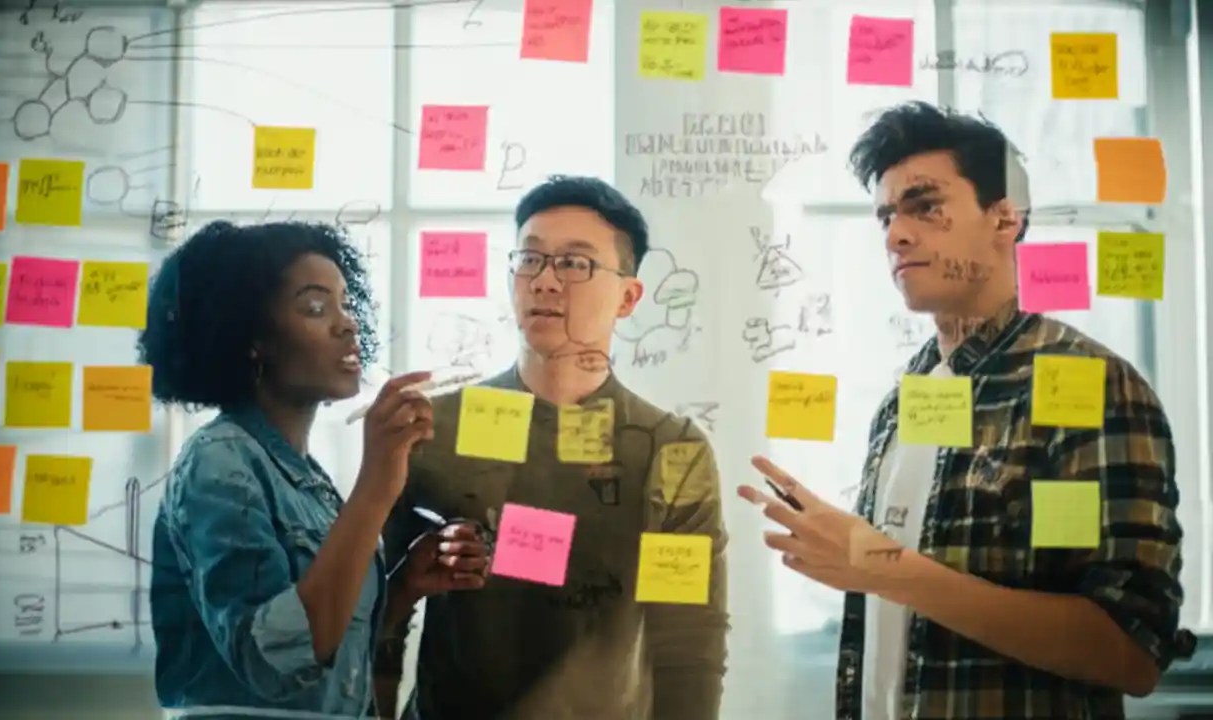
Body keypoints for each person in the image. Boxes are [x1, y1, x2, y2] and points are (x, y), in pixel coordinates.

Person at [738, 101, 1189, 720]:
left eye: (925, 206)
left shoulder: (1085, 382)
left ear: (1006, 218)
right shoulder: (909, 395)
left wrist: (879, 564)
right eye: (886, 215)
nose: (896, 234)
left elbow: (1129, 652)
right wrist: (866, 560)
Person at [375, 176, 730, 719]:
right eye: (530, 259)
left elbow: (686, 641)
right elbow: (380, 615)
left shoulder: (668, 449)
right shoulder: (435, 429)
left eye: (574, 264)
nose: (544, 281)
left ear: (628, 297)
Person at [142, 220, 490, 719]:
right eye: (315, 307)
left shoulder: (307, 479)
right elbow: (278, 662)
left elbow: (333, 644)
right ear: (251, 338)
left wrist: (407, 584)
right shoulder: (219, 462)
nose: (346, 324)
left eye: (346, 304)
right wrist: (376, 486)